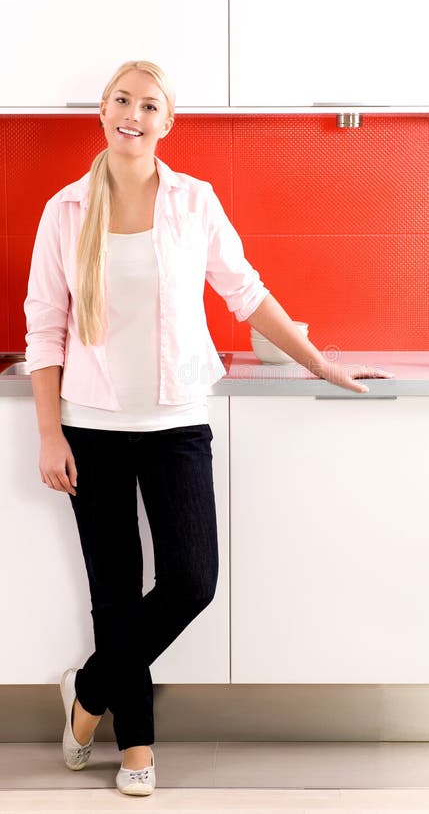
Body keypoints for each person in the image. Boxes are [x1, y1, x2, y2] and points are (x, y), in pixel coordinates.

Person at [23, 60, 392, 797]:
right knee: (115, 592)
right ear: (102, 111)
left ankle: (87, 694)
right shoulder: (65, 210)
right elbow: (46, 328)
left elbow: (245, 293)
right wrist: (49, 434)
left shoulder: (195, 202)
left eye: (149, 104)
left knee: (192, 580)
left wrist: (320, 364)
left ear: (167, 123)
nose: (133, 113)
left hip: (177, 420)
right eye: (122, 100)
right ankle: (136, 748)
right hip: (88, 427)